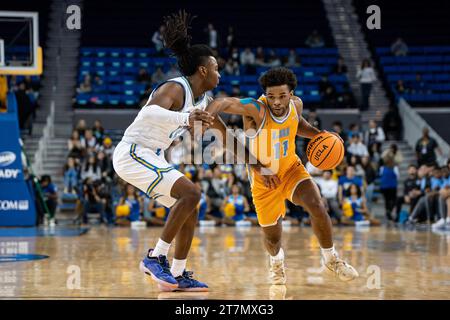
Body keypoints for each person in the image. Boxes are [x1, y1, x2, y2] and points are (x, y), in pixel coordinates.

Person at [206, 67, 358, 284]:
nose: (276, 101)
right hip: (262, 178)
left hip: (291, 170)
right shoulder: (256, 109)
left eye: (282, 96)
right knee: (272, 238)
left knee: (316, 204)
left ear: (292, 94)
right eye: (271, 96)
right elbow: (222, 102)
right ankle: (276, 263)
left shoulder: (297, 105)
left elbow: (298, 125)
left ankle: (331, 258)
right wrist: (208, 113)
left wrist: (321, 135)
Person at [113, 11, 219, 292]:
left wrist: (252, 160)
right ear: (204, 70)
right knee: (193, 192)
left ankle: (178, 272)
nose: (220, 74)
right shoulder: (175, 87)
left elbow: (212, 126)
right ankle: (155, 256)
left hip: (152, 155)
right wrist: (186, 120)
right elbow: (148, 115)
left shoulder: (204, 98)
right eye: (216, 68)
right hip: (133, 151)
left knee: (189, 207)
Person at [379, 156, 399, 221]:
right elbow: (397, 176)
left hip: (388, 187)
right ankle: (389, 212)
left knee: (390, 200)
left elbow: (381, 175)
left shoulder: (383, 168)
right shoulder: (394, 168)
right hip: (389, 187)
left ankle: (389, 211)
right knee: (390, 200)